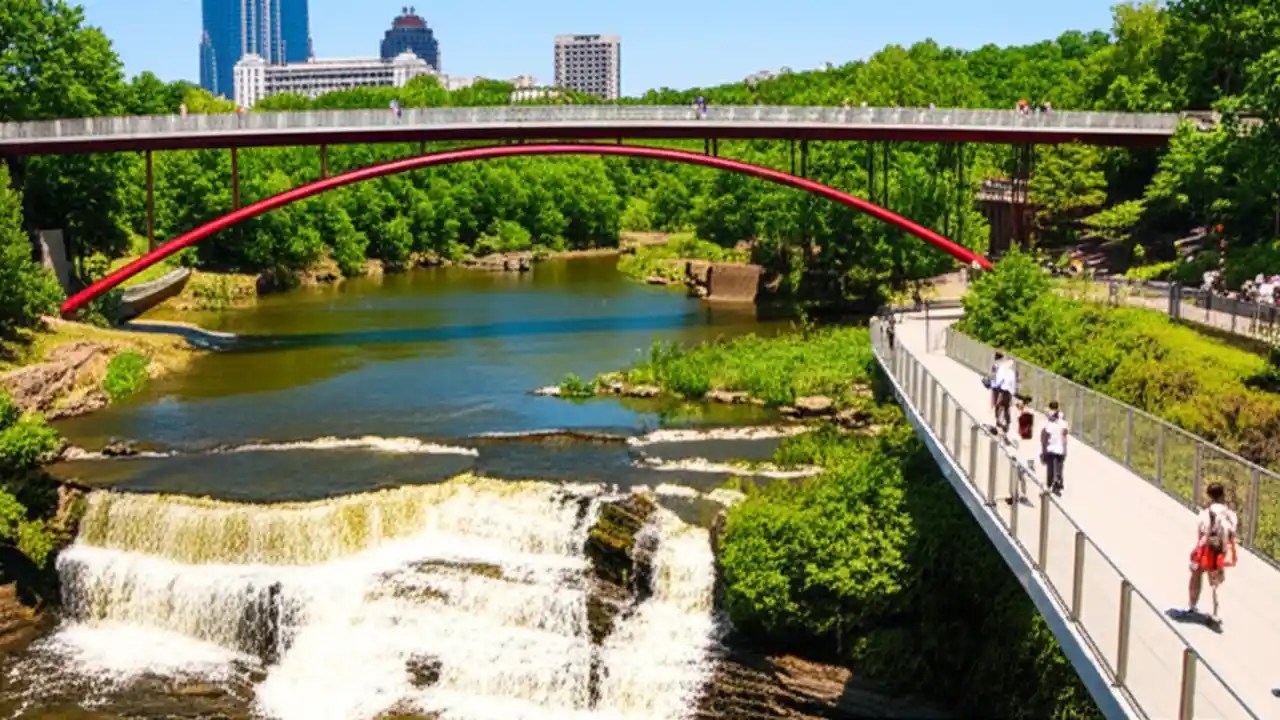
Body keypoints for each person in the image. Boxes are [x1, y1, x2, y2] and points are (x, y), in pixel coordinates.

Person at [1187, 482, 1238, 628]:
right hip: (1219, 550)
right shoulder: (1229, 513)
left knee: (1196, 574)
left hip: (1204, 548)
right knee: (1216, 581)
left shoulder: (1206, 512)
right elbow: (1233, 530)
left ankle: (1192, 605)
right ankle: (1217, 612)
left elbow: (1201, 529)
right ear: (1223, 495)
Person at [1040, 402, 1068, 495]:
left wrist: (1043, 451)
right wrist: (1065, 450)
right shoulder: (1063, 424)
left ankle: (1049, 484)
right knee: (1059, 467)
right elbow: (1064, 438)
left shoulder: (1048, 425)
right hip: (1059, 449)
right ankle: (1058, 482)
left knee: (1050, 468)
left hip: (1050, 449)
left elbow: (1044, 439)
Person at [990, 353, 1016, 433]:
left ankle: (999, 423)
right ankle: (1005, 424)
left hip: (1002, 391)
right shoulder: (1011, 373)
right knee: (1006, 408)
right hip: (1007, 392)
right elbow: (1013, 385)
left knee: (999, 407)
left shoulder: (1003, 370)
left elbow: (998, 381)